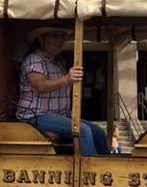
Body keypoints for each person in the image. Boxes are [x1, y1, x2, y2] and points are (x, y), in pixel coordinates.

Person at [16, 26, 110, 156]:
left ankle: (107, 166)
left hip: (59, 115)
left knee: (98, 132)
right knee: (83, 131)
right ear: (41, 39)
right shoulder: (35, 59)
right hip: (35, 116)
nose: (59, 40)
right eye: (55, 36)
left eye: (62, 36)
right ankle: (90, 167)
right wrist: (67, 79)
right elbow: (40, 86)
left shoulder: (58, 63)